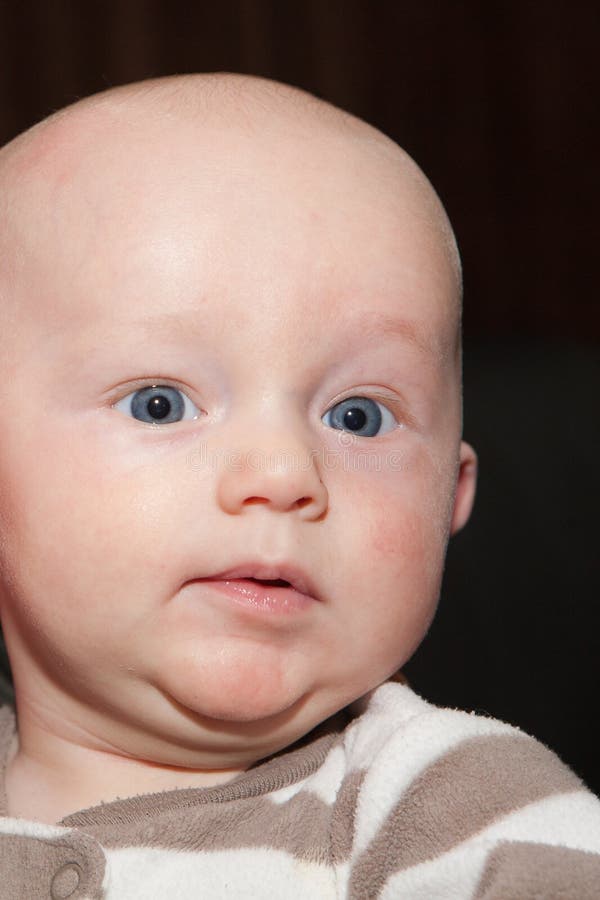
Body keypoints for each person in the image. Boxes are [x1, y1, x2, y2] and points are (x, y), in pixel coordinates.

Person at [0, 73, 598, 899]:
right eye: (159, 403)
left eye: (358, 417)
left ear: (451, 497)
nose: (283, 474)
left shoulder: (466, 824)